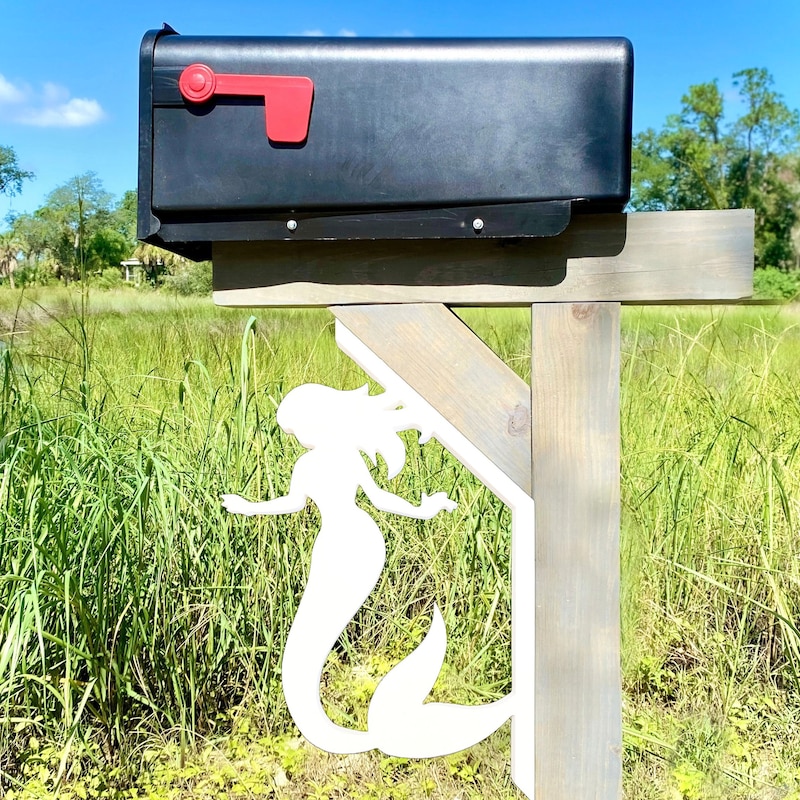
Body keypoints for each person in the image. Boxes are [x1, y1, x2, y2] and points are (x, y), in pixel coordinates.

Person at [223, 383, 512, 756]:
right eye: (294, 434)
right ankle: (358, 723)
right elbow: (291, 504)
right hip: (333, 544)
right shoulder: (306, 465)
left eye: (299, 430)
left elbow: (379, 498)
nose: (299, 439)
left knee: (319, 621)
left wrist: (422, 509)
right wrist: (249, 507)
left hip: (358, 540)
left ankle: (377, 720)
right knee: (312, 627)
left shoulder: (343, 457)